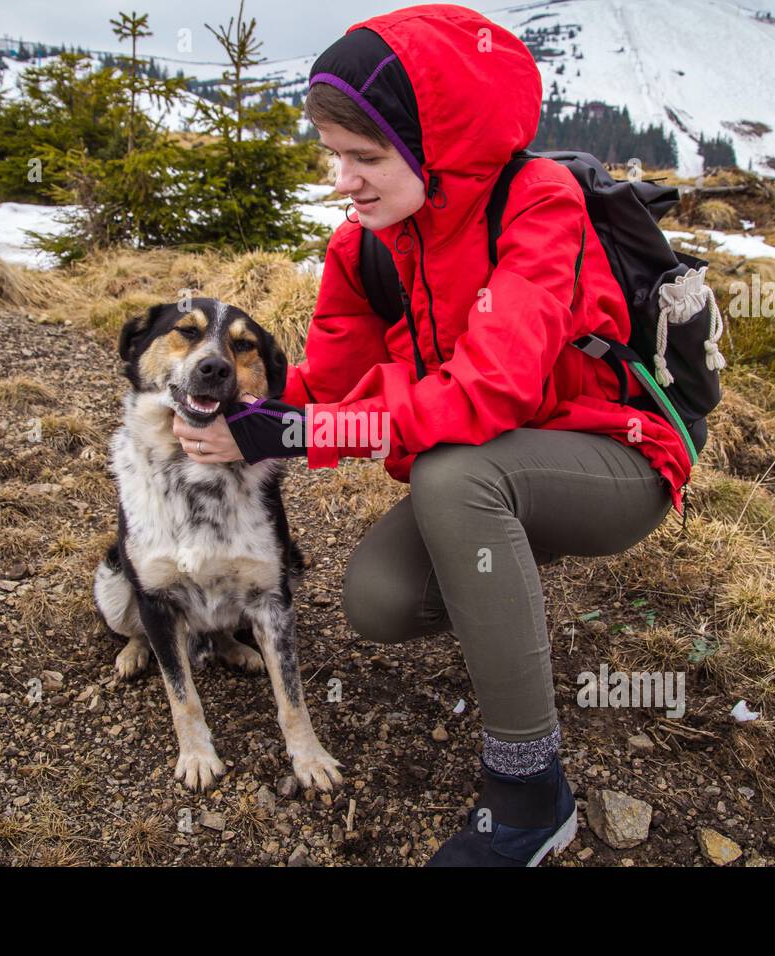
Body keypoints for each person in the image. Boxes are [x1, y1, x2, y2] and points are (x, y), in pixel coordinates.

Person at [170, 3, 692, 867]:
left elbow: (491, 389)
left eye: (366, 157)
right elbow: (324, 388)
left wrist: (297, 433)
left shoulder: (538, 205)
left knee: (454, 478)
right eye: (333, 154)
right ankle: (505, 576)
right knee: (378, 600)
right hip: (504, 463)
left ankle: (530, 795)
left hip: (616, 452)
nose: (344, 179)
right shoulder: (364, 247)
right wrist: (240, 404)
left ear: (436, 145)